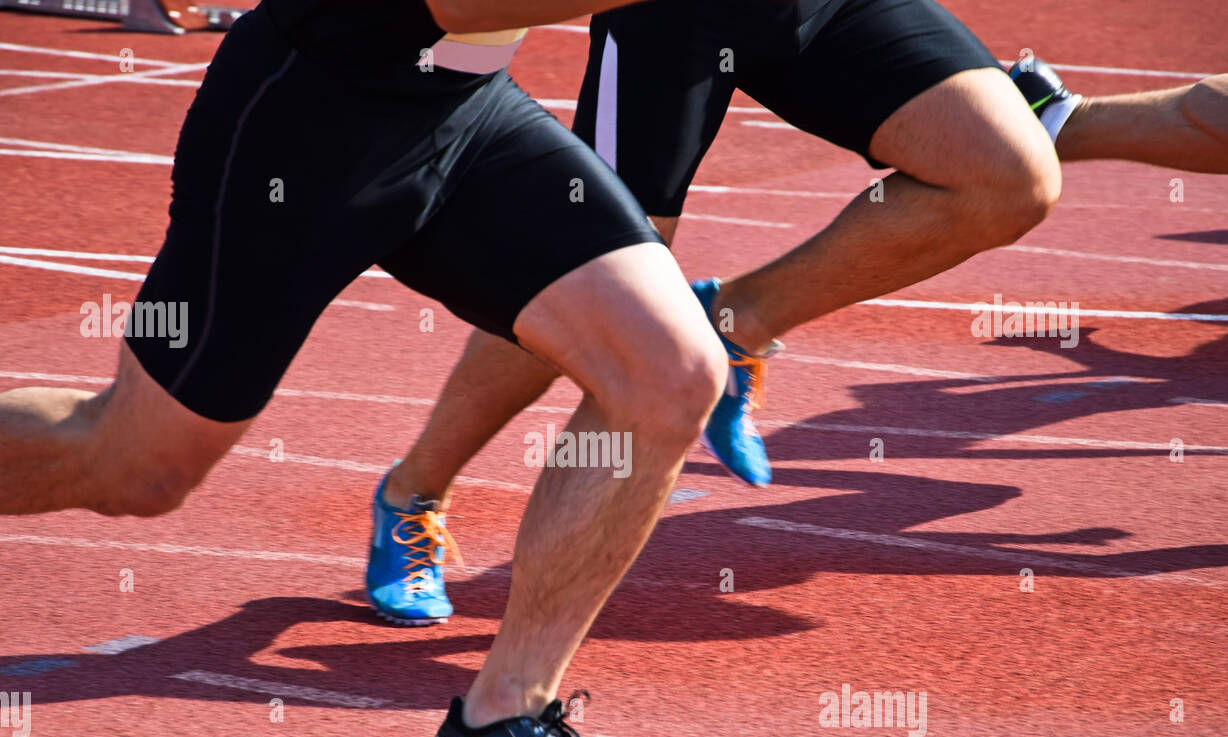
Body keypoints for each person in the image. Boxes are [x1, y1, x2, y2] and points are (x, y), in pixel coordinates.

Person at [0, 0, 734, 737]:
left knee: (672, 372)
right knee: (137, 469)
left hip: (466, 110)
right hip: (310, 106)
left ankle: (504, 715)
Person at [366, 0, 1228, 625]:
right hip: (678, 16)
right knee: (584, 276)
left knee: (1008, 175)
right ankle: (415, 492)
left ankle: (736, 322)